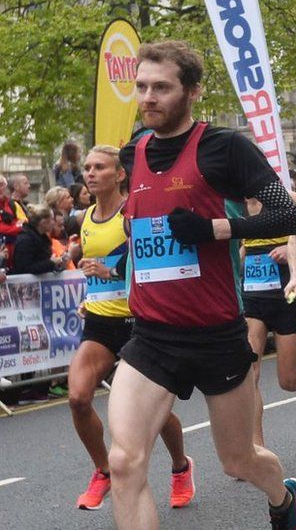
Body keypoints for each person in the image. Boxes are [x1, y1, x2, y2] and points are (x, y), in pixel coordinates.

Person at [107, 40, 296, 530]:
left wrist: (214, 229)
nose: (148, 97)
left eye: (161, 87)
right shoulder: (133, 153)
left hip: (216, 333)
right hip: (152, 335)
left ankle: (283, 498)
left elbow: (289, 214)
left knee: (239, 461)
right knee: (125, 462)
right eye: (141, 87)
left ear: (192, 91)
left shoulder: (225, 148)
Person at [70, 145, 194, 511]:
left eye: (99, 167)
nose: (90, 174)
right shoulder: (86, 217)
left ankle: (180, 467)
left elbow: (146, 258)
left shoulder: (133, 212)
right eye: (87, 167)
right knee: (78, 397)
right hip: (99, 323)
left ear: (120, 173)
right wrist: (91, 293)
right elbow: (94, 267)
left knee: (151, 412)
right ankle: (104, 471)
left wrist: (111, 272)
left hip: (138, 322)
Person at [243, 190, 296, 447]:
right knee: (250, 373)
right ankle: (257, 448)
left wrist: (288, 249)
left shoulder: (288, 198)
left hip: (286, 294)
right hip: (252, 297)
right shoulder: (235, 205)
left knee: (290, 381)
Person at [12, 205, 68, 275]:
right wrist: (51, 263)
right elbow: (24, 268)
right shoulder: (25, 240)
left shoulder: (43, 238)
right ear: (44, 222)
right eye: (52, 219)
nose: (53, 223)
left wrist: (58, 263)